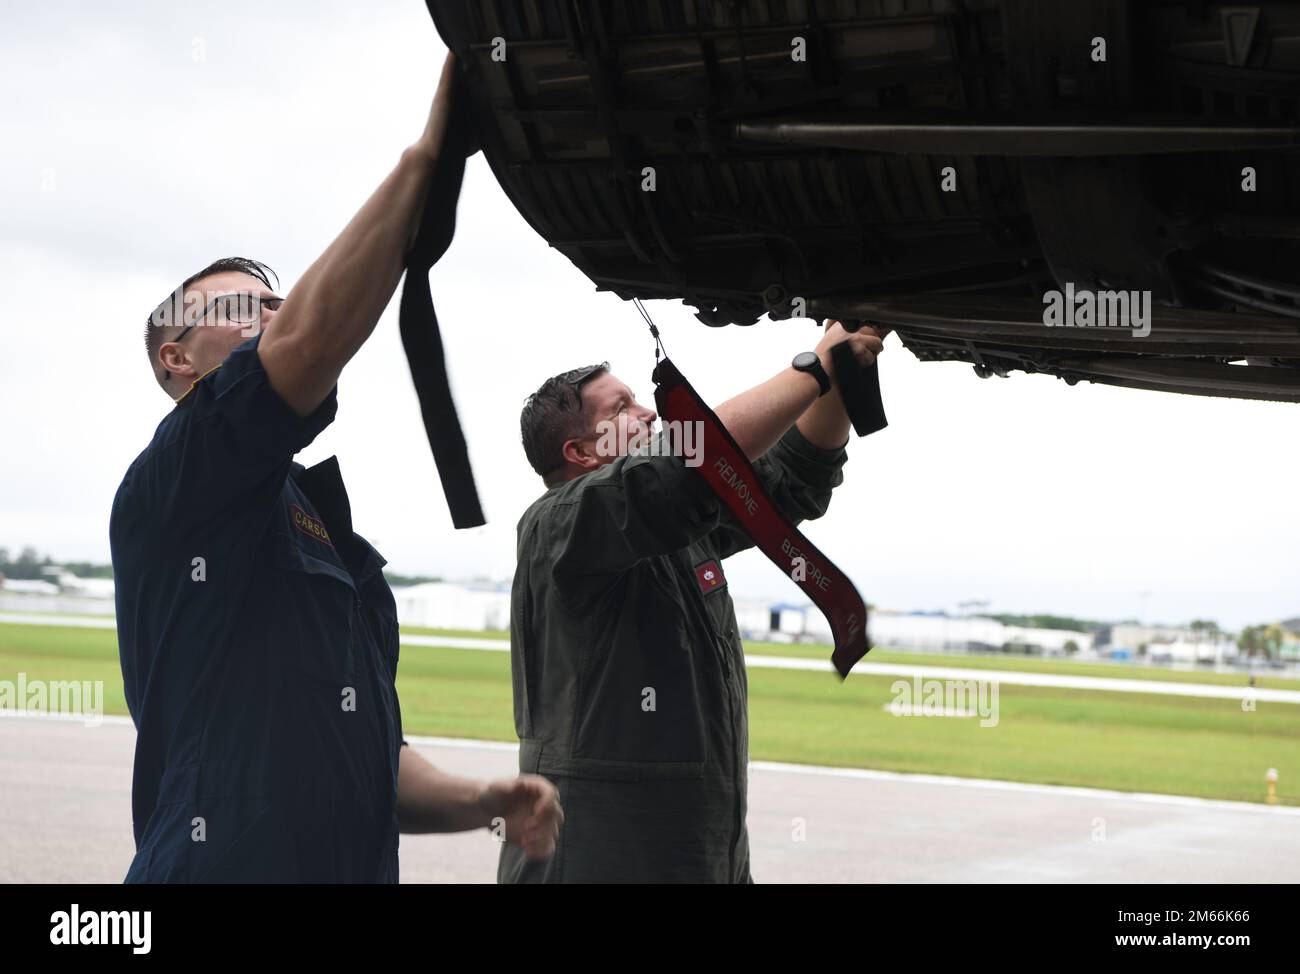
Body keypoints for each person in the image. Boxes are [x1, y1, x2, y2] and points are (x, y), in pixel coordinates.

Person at [111, 54, 561, 883]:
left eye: (280, 301)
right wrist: (425, 161)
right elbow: (310, 342)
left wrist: (478, 799)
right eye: (246, 305)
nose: (276, 312)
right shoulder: (177, 478)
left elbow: (356, 744)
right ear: (177, 357)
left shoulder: (306, 515)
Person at [501, 320, 885, 882]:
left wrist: (845, 367)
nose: (649, 414)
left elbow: (788, 476)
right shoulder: (560, 524)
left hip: (703, 860)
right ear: (580, 452)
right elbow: (689, 467)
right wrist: (814, 367)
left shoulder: (671, 537)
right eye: (622, 409)